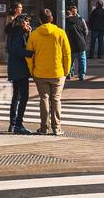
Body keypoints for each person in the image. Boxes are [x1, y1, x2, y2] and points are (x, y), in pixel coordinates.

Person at [26, 8, 71, 136]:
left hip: (40, 72)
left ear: (40, 20)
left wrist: (32, 69)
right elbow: (67, 53)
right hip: (57, 72)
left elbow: (29, 55)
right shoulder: (60, 33)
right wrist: (66, 70)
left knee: (43, 99)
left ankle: (44, 127)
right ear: (52, 19)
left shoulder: (34, 34)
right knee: (56, 99)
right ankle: (56, 128)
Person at [5, 13, 33, 134]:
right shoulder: (18, 32)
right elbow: (16, 50)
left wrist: (28, 33)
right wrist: (30, 53)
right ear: (21, 23)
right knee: (24, 96)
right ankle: (18, 124)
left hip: (15, 68)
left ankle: (13, 124)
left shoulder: (14, 31)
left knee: (16, 96)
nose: (28, 24)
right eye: (26, 22)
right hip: (19, 68)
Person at [65, 5, 90, 81]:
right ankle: (81, 75)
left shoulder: (66, 21)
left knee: (70, 60)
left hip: (71, 43)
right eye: (73, 12)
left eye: (75, 12)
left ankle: (69, 74)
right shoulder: (81, 20)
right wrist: (84, 39)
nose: (74, 13)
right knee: (82, 60)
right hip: (81, 42)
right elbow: (86, 31)